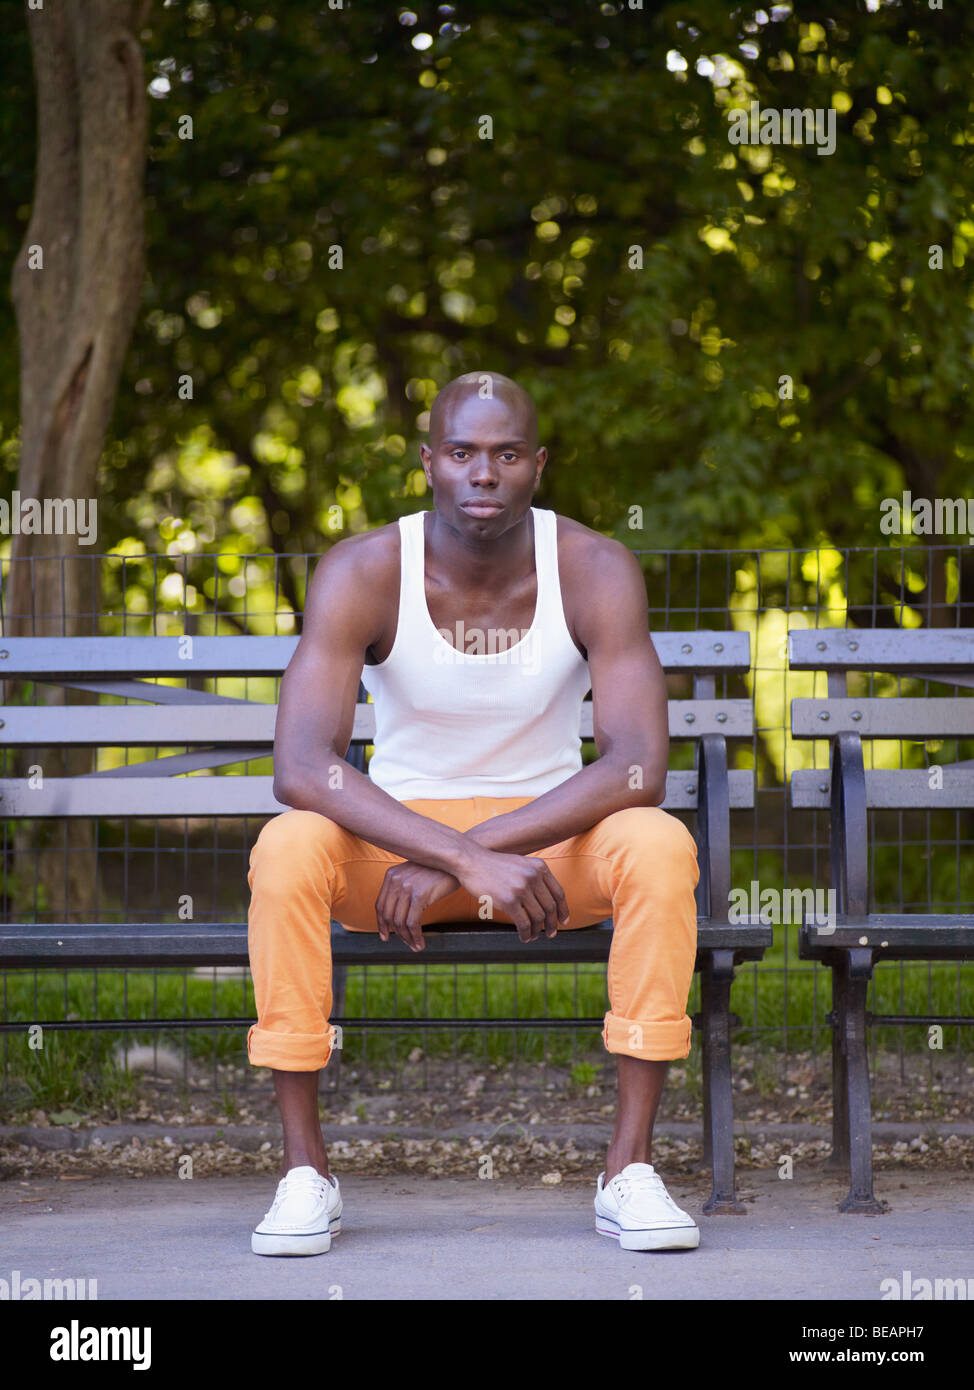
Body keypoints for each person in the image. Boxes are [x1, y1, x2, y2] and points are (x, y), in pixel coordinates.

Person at [247, 371, 700, 1257]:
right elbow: (301, 767)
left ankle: (629, 1172)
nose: (482, 474)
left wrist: (468, 854)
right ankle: (306, 1173)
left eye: (503, 455)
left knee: (657, 843)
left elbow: (638, 764)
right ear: (428, 464)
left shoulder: (595, 566)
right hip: (395, 862)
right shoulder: (366, 568)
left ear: (538, 464)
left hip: (540, 860)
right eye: (461, 453)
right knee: (289, 847)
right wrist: (454, 854)